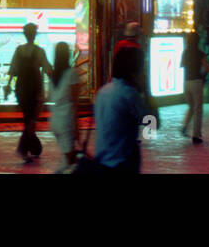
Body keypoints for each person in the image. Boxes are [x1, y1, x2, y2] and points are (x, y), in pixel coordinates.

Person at [89, 45, 149, 173]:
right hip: (122, 163)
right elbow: (151, 127)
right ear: (134, 71)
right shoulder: (129, 94)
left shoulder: (103, 92)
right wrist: (148, 93)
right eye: (142, 68)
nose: (144, 73)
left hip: (102, 162)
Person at [8, 22, 52, 161]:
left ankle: (34, 147)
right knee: (31, 119)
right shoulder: (39, 51)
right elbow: (48, 69)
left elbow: (12, 70)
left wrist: (8, 86)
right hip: (34, 89)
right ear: (35, 34)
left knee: (28, 119)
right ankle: (24, 148)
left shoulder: (18, 50)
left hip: (21, 89)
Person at [47, 41, 79, 169]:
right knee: (70, 163)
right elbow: (75, 100)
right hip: (66, 120)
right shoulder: (72, 74)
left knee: (67, 159)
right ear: (68, 55)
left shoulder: (53, 75)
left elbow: (49, 96)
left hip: (55, 120)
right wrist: (76, 125)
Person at [179, 31, 208, 144]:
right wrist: (203, 77)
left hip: (186, 82)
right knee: (198, 109)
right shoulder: (200, 53)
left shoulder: (185, 52)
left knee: (191, 107)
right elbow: (207, 67)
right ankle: (196, 135)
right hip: (196, 81)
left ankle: (185, 126)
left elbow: (181, 65)